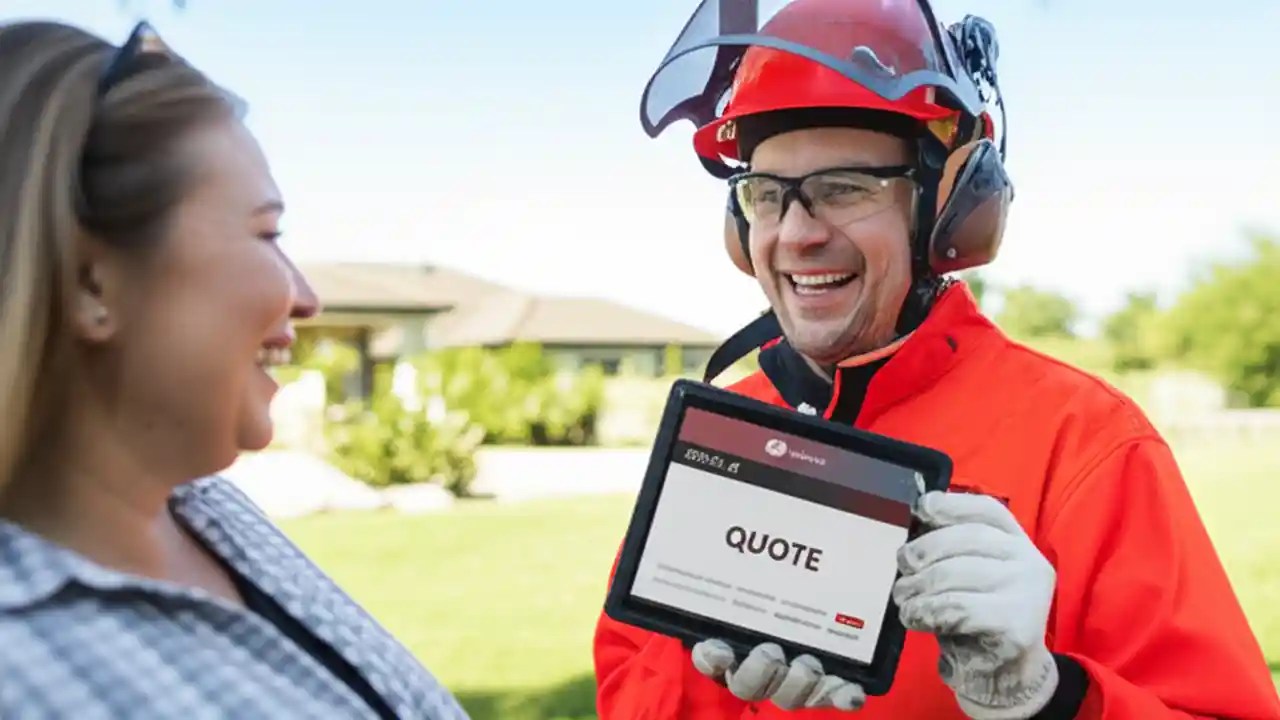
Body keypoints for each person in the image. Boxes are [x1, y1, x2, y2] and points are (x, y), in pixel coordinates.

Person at [593, 0, 1280, 718]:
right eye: (767, 196)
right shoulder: (722, 437)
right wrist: (708, 651)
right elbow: (625, 696)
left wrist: (1046, 697)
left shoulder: (1084, 441)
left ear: (950, 207)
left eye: (844, 189)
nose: (795, 234)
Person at [0, 20, 468, 719]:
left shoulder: (204, 509)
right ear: (89, 282)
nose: (306, 298)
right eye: (266, 232)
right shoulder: (23, 670)